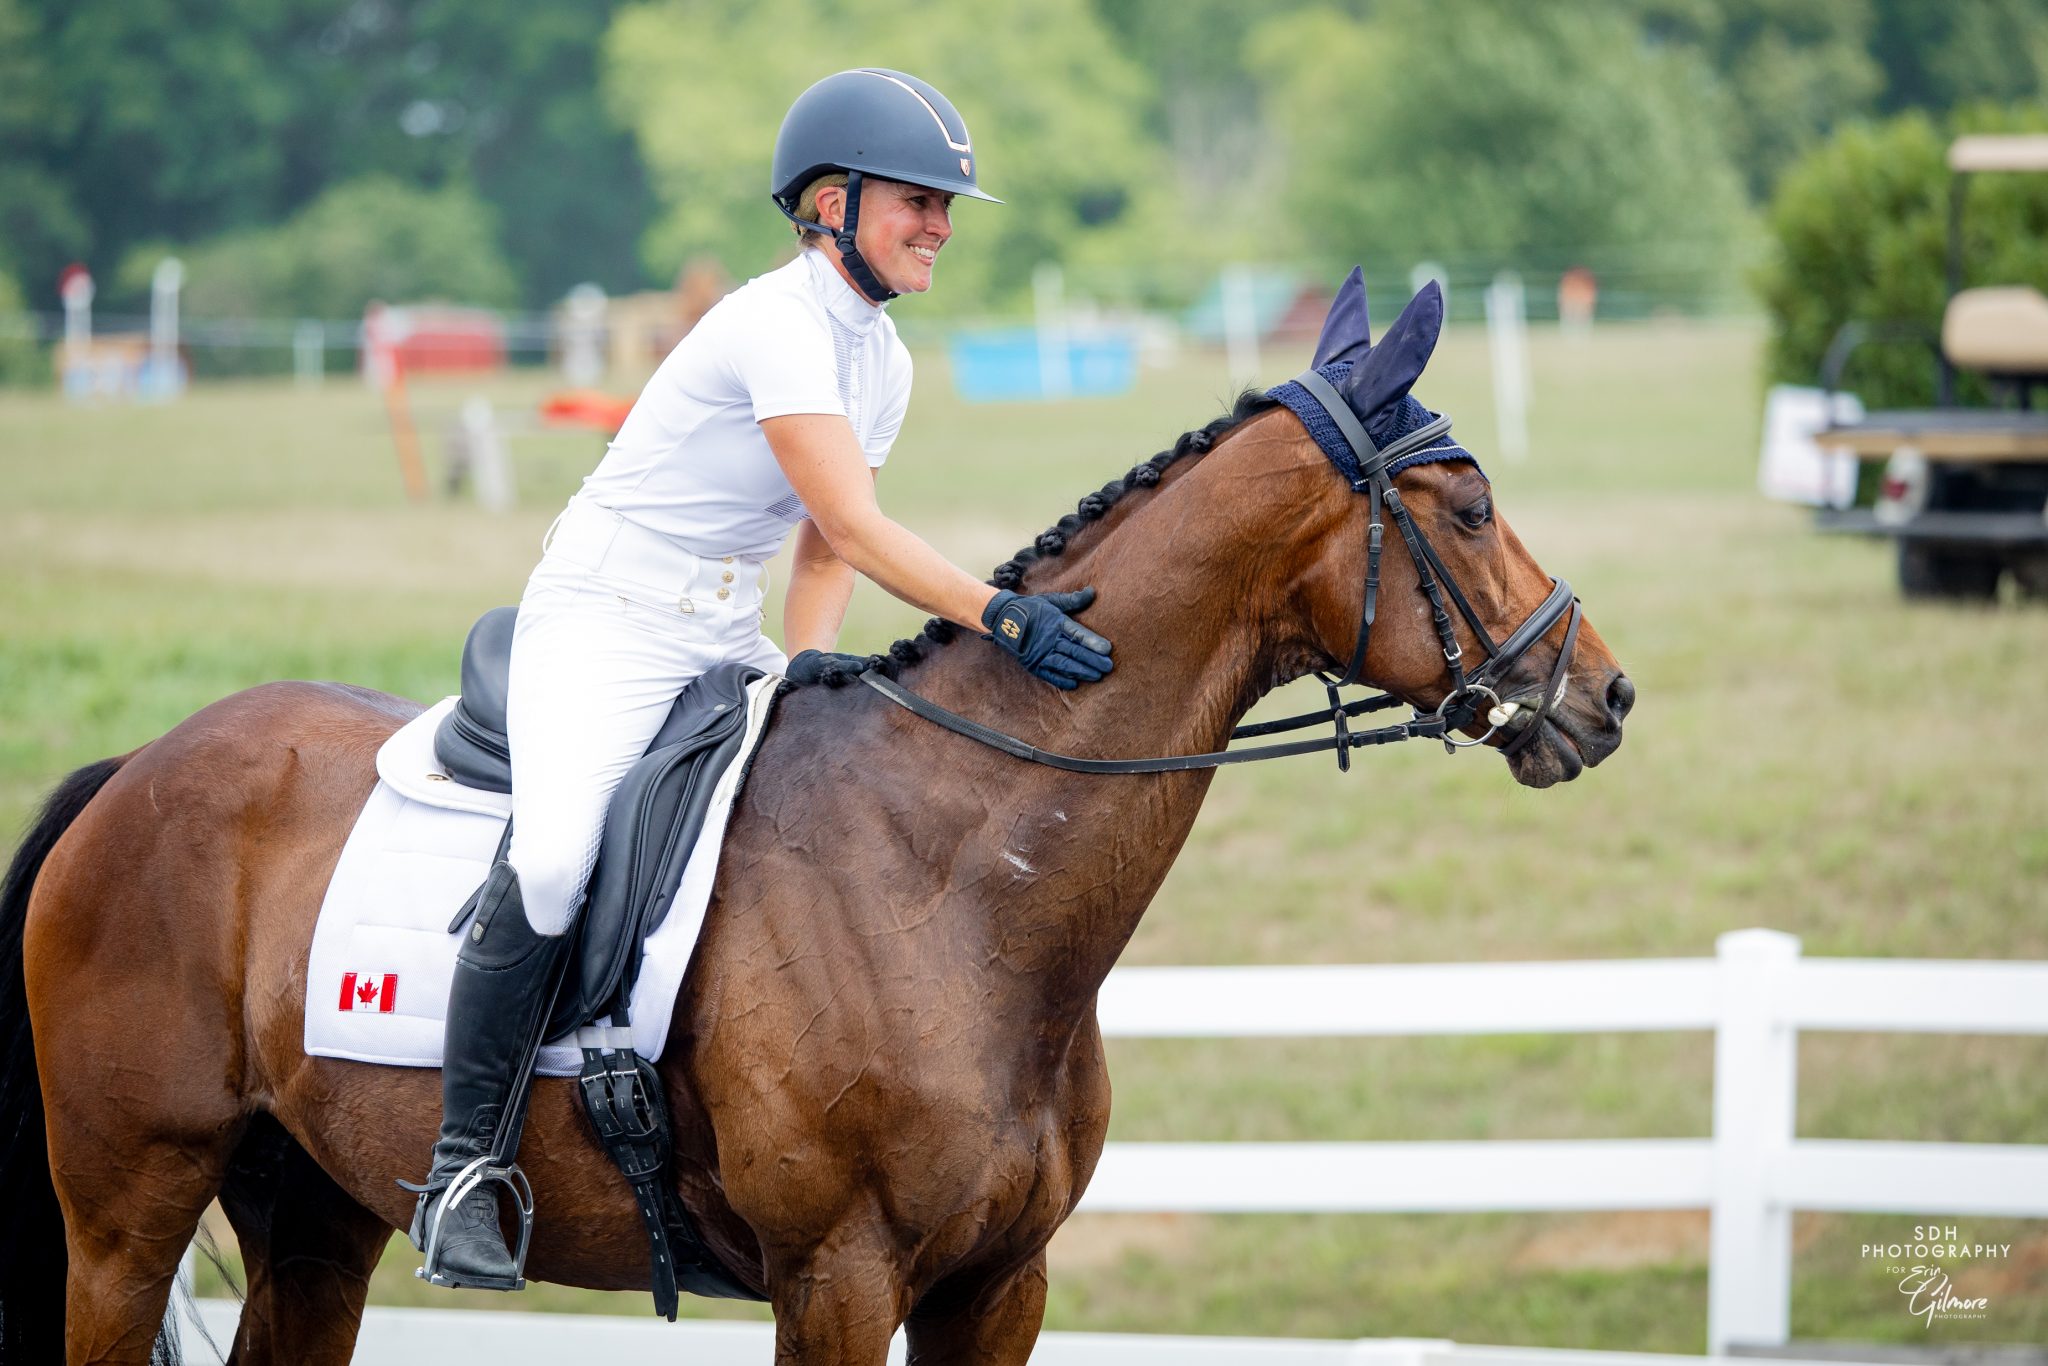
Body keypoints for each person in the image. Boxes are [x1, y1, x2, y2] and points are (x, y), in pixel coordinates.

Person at [404, 67, 1115, 1291]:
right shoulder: (770, 326)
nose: (940, 225)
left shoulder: (878, 359)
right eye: (917, 201)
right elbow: (854, 517)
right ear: (830, 203)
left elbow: (820, 544)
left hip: (723, 631)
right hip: (604, 621)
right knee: (564, 853)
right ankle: (466, 1167)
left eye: (948, 205)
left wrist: (806, 664)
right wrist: (999, 615)